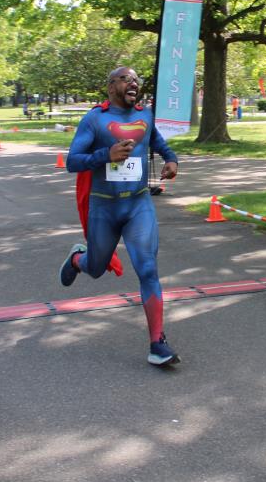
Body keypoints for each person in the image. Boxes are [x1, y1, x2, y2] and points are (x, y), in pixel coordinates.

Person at [58, 66, 180, 366]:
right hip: (104, 207)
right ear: (111, 86)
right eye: (127, 79)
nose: (134, 83)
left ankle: (157, 343)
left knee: (148, 269)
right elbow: (73, 161)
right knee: (96, 268)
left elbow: (158, 142)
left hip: (138, 205)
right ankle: (78, 258)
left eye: (136, 80)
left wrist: (171, 159)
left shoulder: (146, 115)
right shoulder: (95, 119)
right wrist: (105, 155)